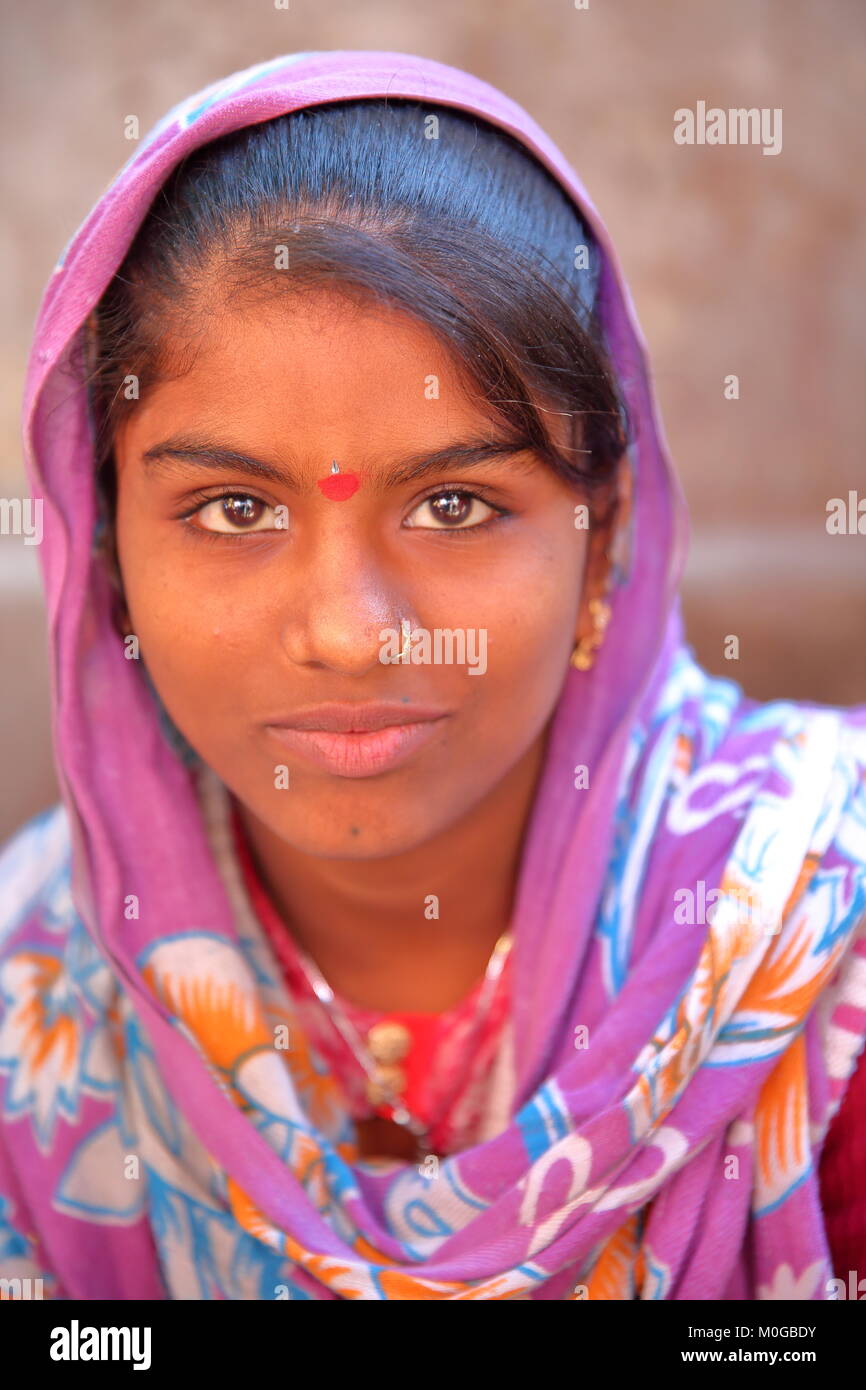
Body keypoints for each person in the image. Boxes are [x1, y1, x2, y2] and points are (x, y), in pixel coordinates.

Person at [1, 49, 864, 1302]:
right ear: (111, 556)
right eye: (234, 507)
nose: (352, 635)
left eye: (453, 504)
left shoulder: (815, 934)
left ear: (601, 539)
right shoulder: (36, 1003)